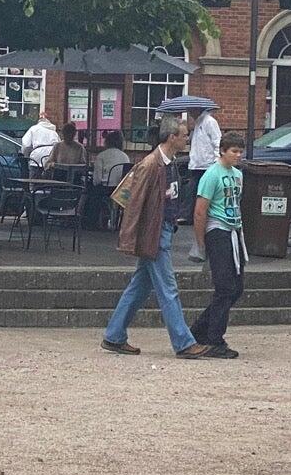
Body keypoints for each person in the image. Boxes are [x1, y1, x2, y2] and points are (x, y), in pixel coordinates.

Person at [101, 122, 213, 359]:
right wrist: (133, 237)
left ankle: (114, 335)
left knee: (139, 287)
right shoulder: (152, 164)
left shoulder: (166, 163)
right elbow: (135, 203)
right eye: (184, 135)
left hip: (161, 229)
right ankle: (183, 342)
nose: (187, 140)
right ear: (171, 137)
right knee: (168, 288)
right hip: (154, 232)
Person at [190, 132, 248, 357]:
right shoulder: (211, 175)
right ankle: (214, 338)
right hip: (218, 230)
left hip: (234, 230)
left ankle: (200, 328)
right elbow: (200, 210)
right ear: (222, 150)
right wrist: (201, 242)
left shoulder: (237, 175)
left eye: (240, 151)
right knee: (224, 287)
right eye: (234, 151)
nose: (238, 155)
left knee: (236, 287)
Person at [184, 105, 221, 260]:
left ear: (197, 109)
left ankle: (202, 247)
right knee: (196, 209)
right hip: (197, 167)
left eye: (190, 110)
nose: (189, 113)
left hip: (206, 168)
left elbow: (217, 142)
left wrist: (216, 163)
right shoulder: (198, 124)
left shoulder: (209, 122)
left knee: (202, 209)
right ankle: (200, 245)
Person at [89, 131, 130, 229]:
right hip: (121, 190)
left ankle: (92, 221)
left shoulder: (102, 156)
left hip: (105, 189)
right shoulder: (125, 157)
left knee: (90, 190)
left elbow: (97, 180)